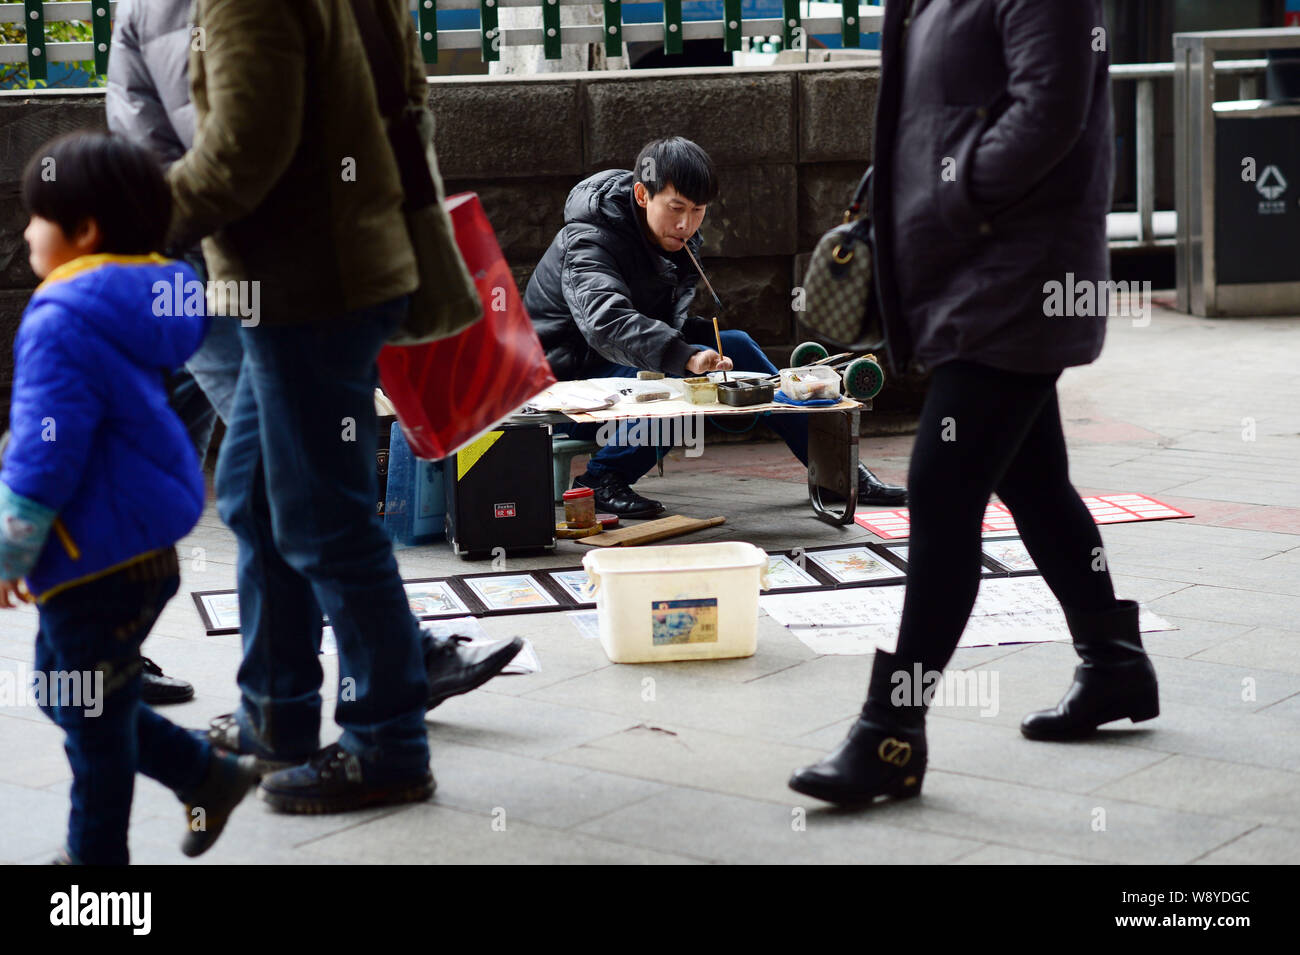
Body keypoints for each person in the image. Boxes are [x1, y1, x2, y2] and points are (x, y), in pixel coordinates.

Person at [106, 0, 518, 723]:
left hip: (296, 278)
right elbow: (145, 137)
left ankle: (379, 727)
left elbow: (245, 150)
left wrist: (130, 231)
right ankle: (282, 708)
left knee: (307, 506)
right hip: (235, 273)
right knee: (271, 495)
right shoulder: (144, 10)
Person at [790, 0, 1159, 804]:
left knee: (943, 486)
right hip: (973, 271)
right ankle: (1116, 664)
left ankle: (892, 731)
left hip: (1017, 275)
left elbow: (1050, 106)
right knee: (1031, 478)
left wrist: (952, 196)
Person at [1, 132, 259, 863]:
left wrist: (8, 552)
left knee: (90, 721)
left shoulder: (62, 317)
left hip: (93, 563)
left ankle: (96, 872)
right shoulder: (140, 302)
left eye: (36, 216)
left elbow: (45, 455)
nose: (24, 230)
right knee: (73, 695)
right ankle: (204, 773)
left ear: (83, 232)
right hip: (132, 553)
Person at [524, 136, 908, 519]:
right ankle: (603, 478)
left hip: (623, 361)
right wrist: (685, 356)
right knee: (691, 383)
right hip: (565, 380)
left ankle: (835, 469)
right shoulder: (588, 239)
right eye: (676, 208)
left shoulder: (674, 237)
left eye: (698, 210)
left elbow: (658, 323)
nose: (686, 223)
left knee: (735, 345)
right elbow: (605, 322)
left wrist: (697, 351)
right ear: (642, 195)